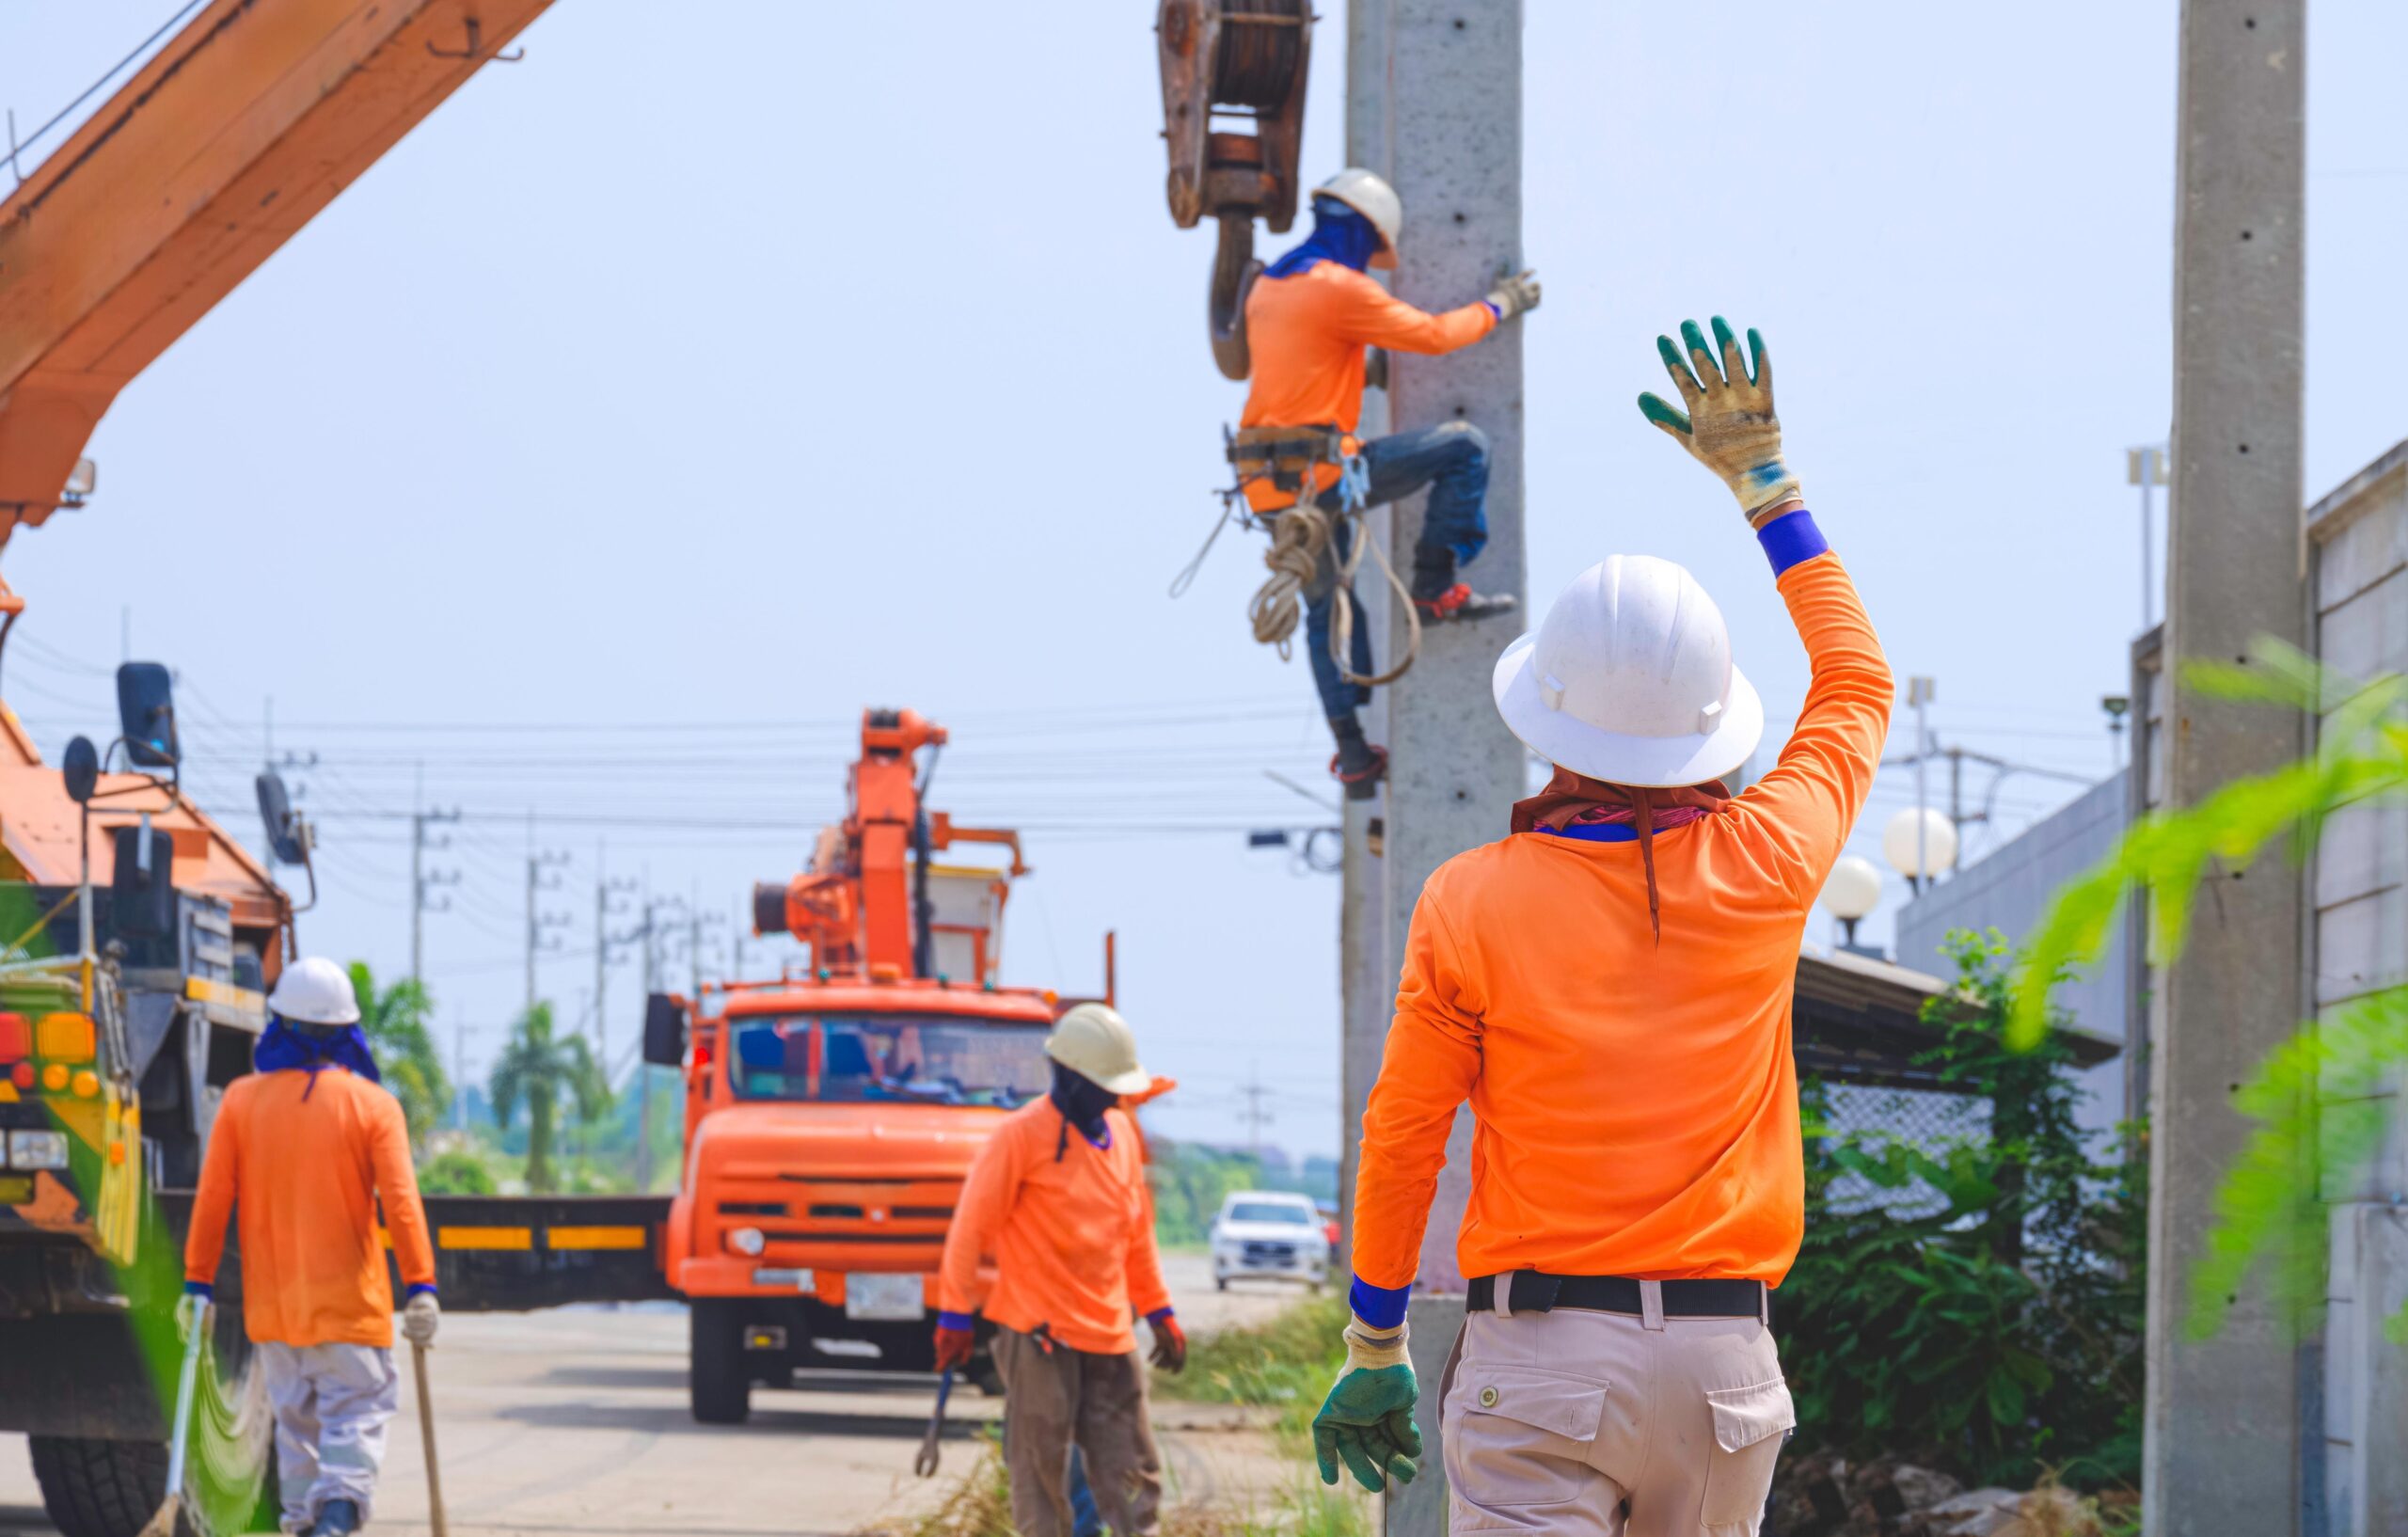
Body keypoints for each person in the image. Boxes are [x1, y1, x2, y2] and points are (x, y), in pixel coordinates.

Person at [1310, 320, 1890, 1536]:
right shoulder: (1772, 855)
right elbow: (1855, 682)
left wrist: (1375, 1337)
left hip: (1545, 1360)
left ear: (1551, 724)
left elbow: (1406, 1131)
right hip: (1727, 1369)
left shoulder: (1473, 897)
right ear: (1711, 729)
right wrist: (1768, 488)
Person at [1238, 167, 1543, 799]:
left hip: (1268, 482)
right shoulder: (1340, 290)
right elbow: (1432, 337)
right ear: (1365, 232)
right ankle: (1434, 585)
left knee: (1327, 611)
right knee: (1464, 447)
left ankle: (1353, 756)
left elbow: (1306, 359)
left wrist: (1357, 361)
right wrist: (1500, 305)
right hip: (1322, 474)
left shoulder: (1271, 285)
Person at [182, 958, 439, 1537]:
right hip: (351, 1310)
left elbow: (212, 1200)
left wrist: (196, 1283)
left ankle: (306, 1524)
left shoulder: (242, 1102)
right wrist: (421, 1285)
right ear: (345, 1030)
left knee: (296, 1431)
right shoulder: (374, 1106)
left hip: (275, 1316)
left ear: (279, 1025)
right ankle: (338, 1515)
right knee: (359, 1411)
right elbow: (402, 1203)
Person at [933, 1004, 1188, 1537]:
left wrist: (1160, 1310)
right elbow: (969, 1231)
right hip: (1038, 1336)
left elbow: (1135, 1235)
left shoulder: (1121, 1134)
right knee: (1040, 1473)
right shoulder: (1020, 1137)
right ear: (1068, 1078)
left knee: (1133, 1473)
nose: (1114, 1097)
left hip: (1111, 1336)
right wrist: (954, 1316)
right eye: (1103, 1086)